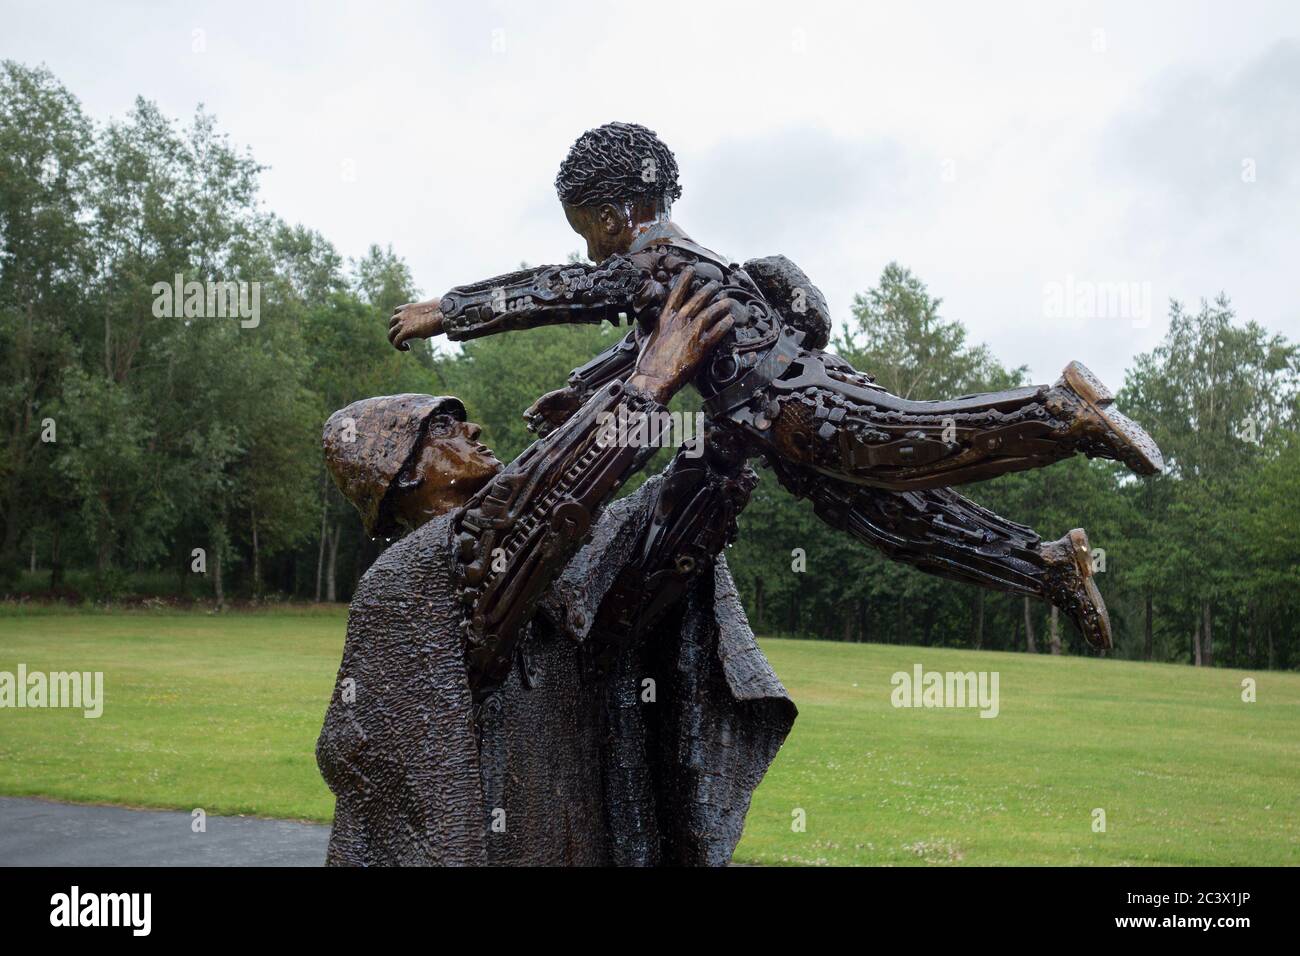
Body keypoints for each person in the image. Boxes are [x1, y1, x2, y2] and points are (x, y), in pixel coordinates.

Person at [385, 121, 1164, 650]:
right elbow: (656, 347)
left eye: (585, 227)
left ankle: (1060, 411)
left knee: (915, 446)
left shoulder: (661, 263)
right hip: (781, 428)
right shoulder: (695, 274)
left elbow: (557, 290)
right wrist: (581, 392)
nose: (586, 250)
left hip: (800, 407)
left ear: (621, 212)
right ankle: (1046, 566)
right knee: (898, 521)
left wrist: (449, 311)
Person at [317, 274, 795, 865]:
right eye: (441, 427)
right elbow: (521, 519)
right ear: (402, 474)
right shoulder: (410, 582)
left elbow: (651, 540)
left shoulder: (542, 576)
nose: (472, 428)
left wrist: (734, 410)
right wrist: (643, 384)